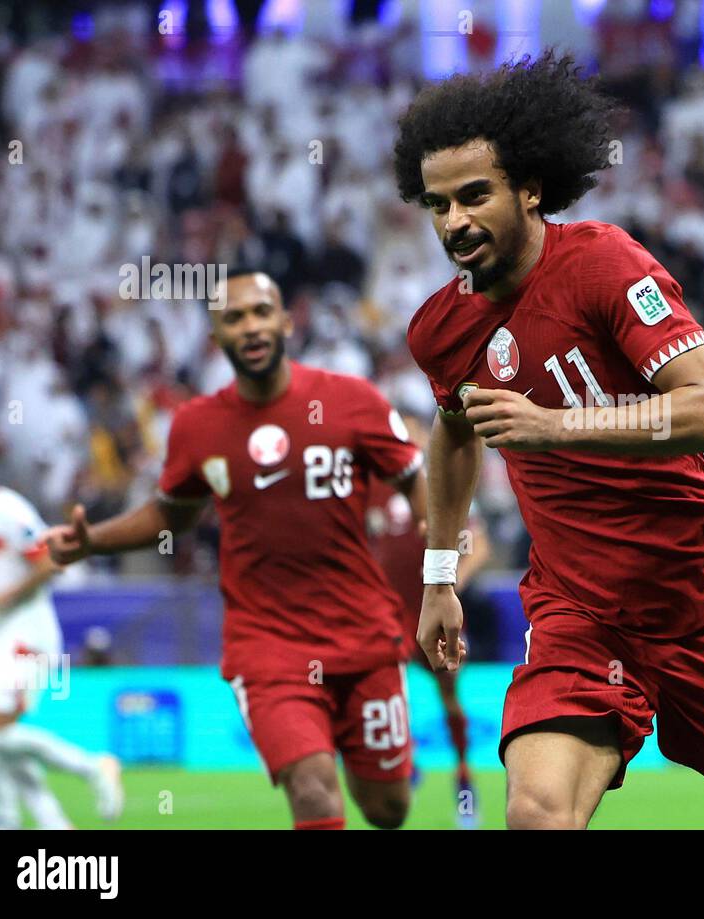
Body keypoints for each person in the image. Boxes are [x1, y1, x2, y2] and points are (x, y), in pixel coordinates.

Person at [395, 51, 704, 830]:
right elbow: (454, 434)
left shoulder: (606, 266)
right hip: (578, 612)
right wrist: (439, 576)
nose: (455, 222)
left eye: (475, 196)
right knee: (538, 814)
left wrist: (556, 426)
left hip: (703, 601)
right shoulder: (441, 330)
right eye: (439, 204)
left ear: (530, 188)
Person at [47, 272, 427, 830]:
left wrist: (441, 571)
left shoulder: (351, 401)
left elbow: (417, 481)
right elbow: (169, 516)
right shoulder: (198, 427)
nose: (250, 326)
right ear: (215, 335)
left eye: (260, 312)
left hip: (364, 635)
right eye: (234, 318)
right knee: (314, 789)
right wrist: (91, 542)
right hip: (268, 645)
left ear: (285, 322)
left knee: (387, 809)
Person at [0, 426, 122, 829]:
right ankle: (47, 820)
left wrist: (0, 598)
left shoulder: (9, 510)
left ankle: (91, 767)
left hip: (29, 629)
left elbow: (49, 564)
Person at [365, 409, 490, 828]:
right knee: (386, 692)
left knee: (450, 694)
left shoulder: (439, 487)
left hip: (433, 613)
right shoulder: (376, 491)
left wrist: (449, 584)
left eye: (412, 429)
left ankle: (463, 776)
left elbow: (479, 546)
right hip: (390, 617)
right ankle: (406, 764)